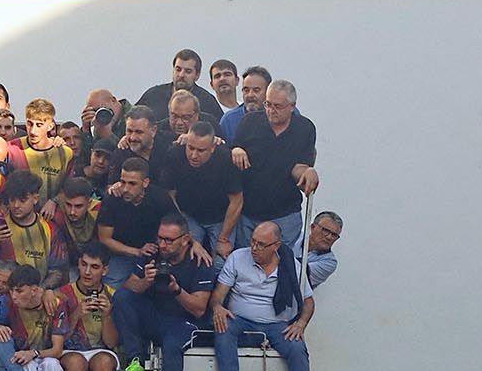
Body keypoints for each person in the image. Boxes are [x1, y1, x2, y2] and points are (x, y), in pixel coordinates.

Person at [113, 215, 216, 371]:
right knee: (121, 298)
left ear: (185, 239)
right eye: (160, 238)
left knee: (171, 346)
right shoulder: (152, 255)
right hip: (154, 316)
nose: (163, 245)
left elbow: (199, 309)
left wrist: (176, 290)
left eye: (169, 240)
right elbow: (129, 289)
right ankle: (135, 362)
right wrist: (147, 281)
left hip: (182, 322)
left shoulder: (200, 261)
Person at [211, 221, 314, 371]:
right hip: (241, 321)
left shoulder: (292, 266)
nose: (254, 248)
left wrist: (301, 324)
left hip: (277, 326)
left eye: (261, 244)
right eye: (253, 241)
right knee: (223, 326)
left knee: (298, 348)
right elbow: (218, 295)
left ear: (276, 246)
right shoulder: (237, 258)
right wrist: (218, 307)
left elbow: (308, 302)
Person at [233, 80, 317, 250]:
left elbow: (300, 166)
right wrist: (236, 150)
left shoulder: (304, 128)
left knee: (281, 265)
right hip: (248, 213)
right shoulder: (250, 122)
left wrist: (308, 172)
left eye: (277, 106)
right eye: (268, 104)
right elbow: (234, 147)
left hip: (284, 214)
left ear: (292, 106)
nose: (271, 110)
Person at [0, 171, 67, 291]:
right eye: (12, 200)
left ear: (35, 199)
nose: (16, 205)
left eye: (22, 200)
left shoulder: (50, 229)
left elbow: (57, 272)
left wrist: (37, 292)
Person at [164, 121, 243, 258]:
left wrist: (223, 239)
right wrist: (186, 231)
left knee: (220, 262)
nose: (194, 155)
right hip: (188, 215)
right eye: (190, 148)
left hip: (220, 218)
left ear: (212, 147)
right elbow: (170, 194)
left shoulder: (225, 159)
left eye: (201, 150)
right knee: (187, 256)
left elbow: (236, 200)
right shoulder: (175, 154)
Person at [96, 157, 177, 285]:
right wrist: (136, 251)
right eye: (123, 182)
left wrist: (193, 243)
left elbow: (177, 226)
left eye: (132, 183)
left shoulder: (160, 198)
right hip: (121, 254)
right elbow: (105, 239)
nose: (126, 189)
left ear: (145, 183)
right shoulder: (112, 199)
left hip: (156, 252)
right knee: (111, 286)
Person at [6, 99, 73, 202]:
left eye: (39, 125)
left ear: (50, 126)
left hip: (51, 215)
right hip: (18, 214)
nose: (33, 131)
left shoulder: (65, 153)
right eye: (29, 124)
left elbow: (69, 188)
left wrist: (54, 201)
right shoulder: (11, 149)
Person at [135, 48, 224, 123]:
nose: (181, 75)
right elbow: (133, 119)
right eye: (178, 69)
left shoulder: (208, 102)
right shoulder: (153, 95)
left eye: (188, 71)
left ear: (197, 75)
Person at [220, 65, 271, 143]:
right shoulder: (229, 120)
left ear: (268, 92)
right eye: (246, 90)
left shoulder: (280, 115)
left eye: (256, 90)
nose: (250, 95)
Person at [300, 211, 344, 288]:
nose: (329, 237)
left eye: (334, 235)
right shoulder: (294, 238)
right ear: (313, 227)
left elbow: (297, 274)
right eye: (325, 230)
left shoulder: (329, 262)